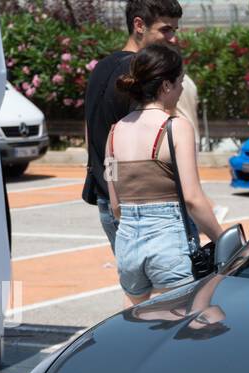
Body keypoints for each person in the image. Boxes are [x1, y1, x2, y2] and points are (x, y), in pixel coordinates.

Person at [107, 43, 220, 306]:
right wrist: (225, 241)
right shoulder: (176, 128)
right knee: (190, 324)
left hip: (127, 244)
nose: (182, 88)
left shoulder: (113, 134)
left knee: (135, 321)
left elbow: (115, 206)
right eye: (180, 81)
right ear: (166, 86)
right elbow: (193, 199)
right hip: (168, 241)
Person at [82, 0, 183, 251]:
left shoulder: (101, 67)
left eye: (174, 30)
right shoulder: (139, 74)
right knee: (173, 287)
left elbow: (90, 131)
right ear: (139, 25)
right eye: (165, 29)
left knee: (135, 288)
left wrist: (108, 185)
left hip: (109, 200)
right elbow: (146, 140)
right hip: (140, 208)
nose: (172, 38)